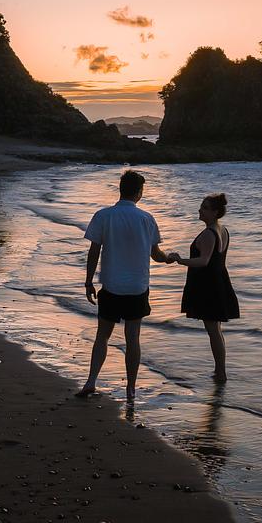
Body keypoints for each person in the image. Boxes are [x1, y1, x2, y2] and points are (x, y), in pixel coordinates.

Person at [77, 170, 174, 402]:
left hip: (111, 285)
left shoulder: (103, 216)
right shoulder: (146, 218)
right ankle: (131, 389)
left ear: (120, 189)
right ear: (139, 193)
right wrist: (170, 258)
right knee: (133, 338)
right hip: (137, 288)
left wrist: (89, 281)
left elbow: (93, 252)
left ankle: (91, 381)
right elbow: (156, 254)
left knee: (103, 336)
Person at [173, 193, 240, 383]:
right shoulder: (223, 230)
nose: (199, 210)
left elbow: (203, 261)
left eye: (204, 207)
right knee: (216, 330)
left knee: (213, 330)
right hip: (218, 282)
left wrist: (180, 260)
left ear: (214, 212)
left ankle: (221, 373)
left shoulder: (210, 233)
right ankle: (219, 371)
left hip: (209, 286)